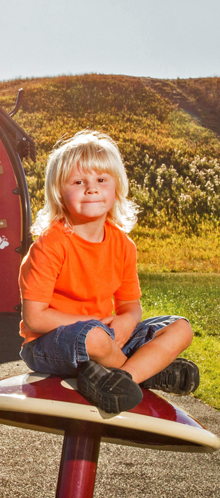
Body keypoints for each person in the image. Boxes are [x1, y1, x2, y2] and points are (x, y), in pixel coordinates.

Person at [18, 130, 199, 415]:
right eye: (79, 182)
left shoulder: (123, 245)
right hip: (50, 344)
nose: (91, 189)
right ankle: (145, 373)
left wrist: (126, 323)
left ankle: (122, 379)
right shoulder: (51, 245)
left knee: (181, 328)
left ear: (116, 189)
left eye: (101, 180)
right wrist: (96, 325)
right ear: (59, 192)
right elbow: (35, 318)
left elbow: (131, 307)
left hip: (107, 338)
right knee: (94, 337)